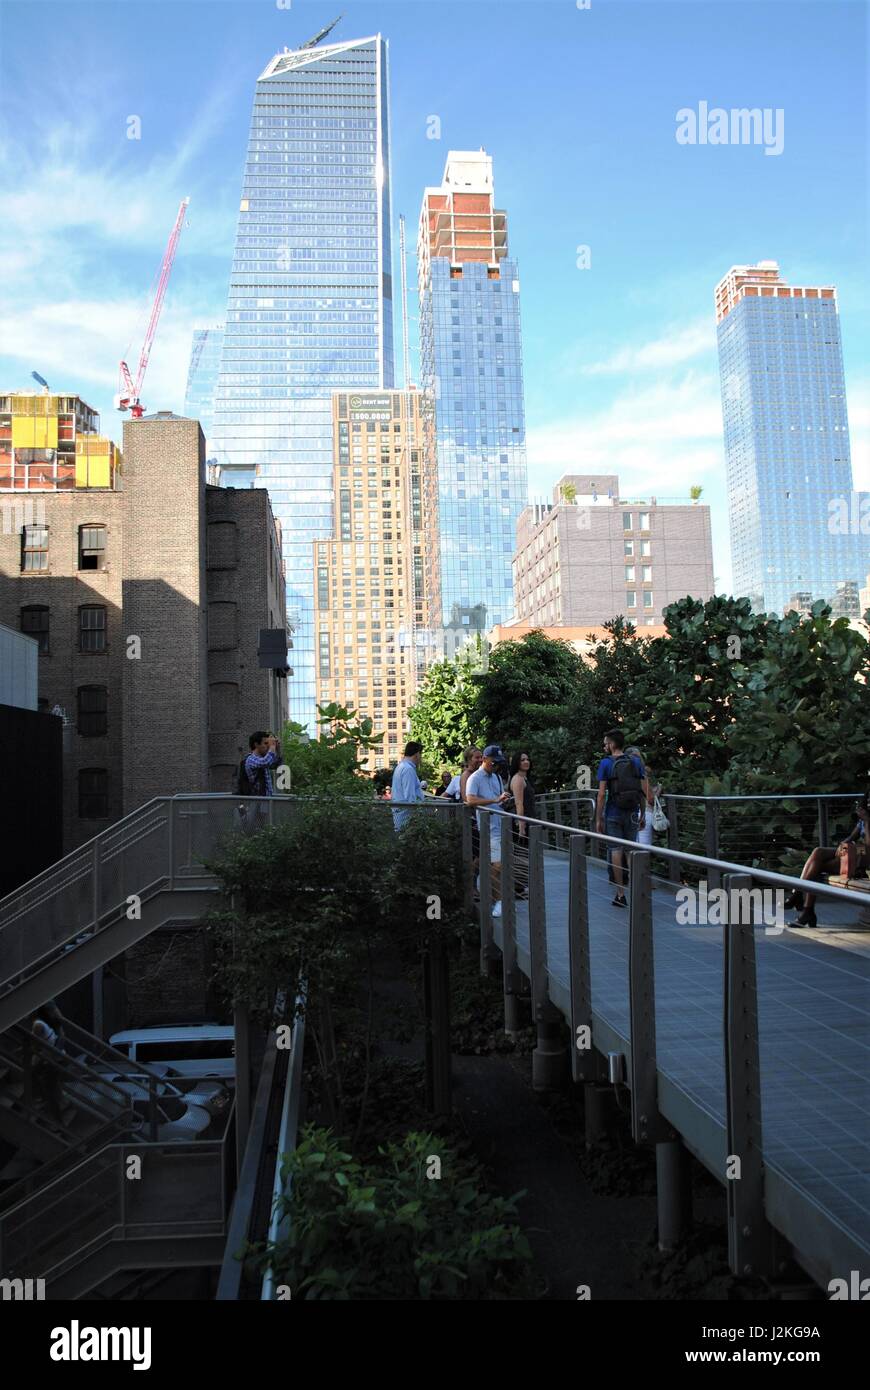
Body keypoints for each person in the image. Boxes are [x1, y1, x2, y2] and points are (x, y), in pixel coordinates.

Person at [786, 793, 870, 928]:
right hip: (856, 854)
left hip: (863, 860)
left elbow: (868, 846)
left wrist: (867, 821)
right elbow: (852, 837)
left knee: (817, 867)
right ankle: (804, 906)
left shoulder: (866, 820)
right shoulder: (862, 820)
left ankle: (800, 900)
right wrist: (841, 846)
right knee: (818, 852)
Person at [595, 729, 647, 908]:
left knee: (615, 850)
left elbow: (601, 794)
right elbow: (641, 791)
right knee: (630, 851)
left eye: (605, 743)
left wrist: (598, 818)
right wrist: (642, 813)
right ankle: (638, 891)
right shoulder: (635, 761)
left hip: (613, 812)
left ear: (611, 744)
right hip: (632, 811)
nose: (604, 747)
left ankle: (620, 894)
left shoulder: (606, 763)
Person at [466, 745, 511, 917]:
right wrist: (494, 799)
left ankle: (484, 885)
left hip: (500, 825)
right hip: (487, 827)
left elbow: (498, 800)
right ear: (484, 759)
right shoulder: (475, 778)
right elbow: (470, 800)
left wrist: (503, 801)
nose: (496, 766)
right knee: (498, 865)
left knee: (500, 865)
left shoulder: (497, 777)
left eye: (498, 763)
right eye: (494, 762)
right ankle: (498, 901)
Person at [509, 751, 535, 899]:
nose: (526, 761)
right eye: (522, 760)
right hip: (522, 823)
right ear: (517, 763)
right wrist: (521, 826)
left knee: (523, 855)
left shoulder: (525, 778)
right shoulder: (518, 779)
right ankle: (518, 888)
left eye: (527, 759)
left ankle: (520, 886)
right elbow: (519, 803)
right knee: (521, 856)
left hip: (528, 821)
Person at [625, 745, 661, 848]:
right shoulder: (640, 774)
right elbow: (650, 799)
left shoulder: (620, 772)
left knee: (629, 849)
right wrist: (659, 789)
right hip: (643, 814)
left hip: (627, 813)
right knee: (643, 849)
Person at [391, 741, 426, 830]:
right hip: (407, 819)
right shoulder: (408, 769)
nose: (421, 758)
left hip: (402, 816)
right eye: (420, 755)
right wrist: (416, 817)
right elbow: (410, 796)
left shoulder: (401, 766)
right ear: (417, 754)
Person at [242, 731, 282, 797]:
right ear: (256, 744)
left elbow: (275, 764)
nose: (268, 746)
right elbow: (266, 762)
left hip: (265, 800)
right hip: (257, 802)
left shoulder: (263, 758)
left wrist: (277, 748)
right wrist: (272, 746)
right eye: (266, 743)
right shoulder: (251, 759)